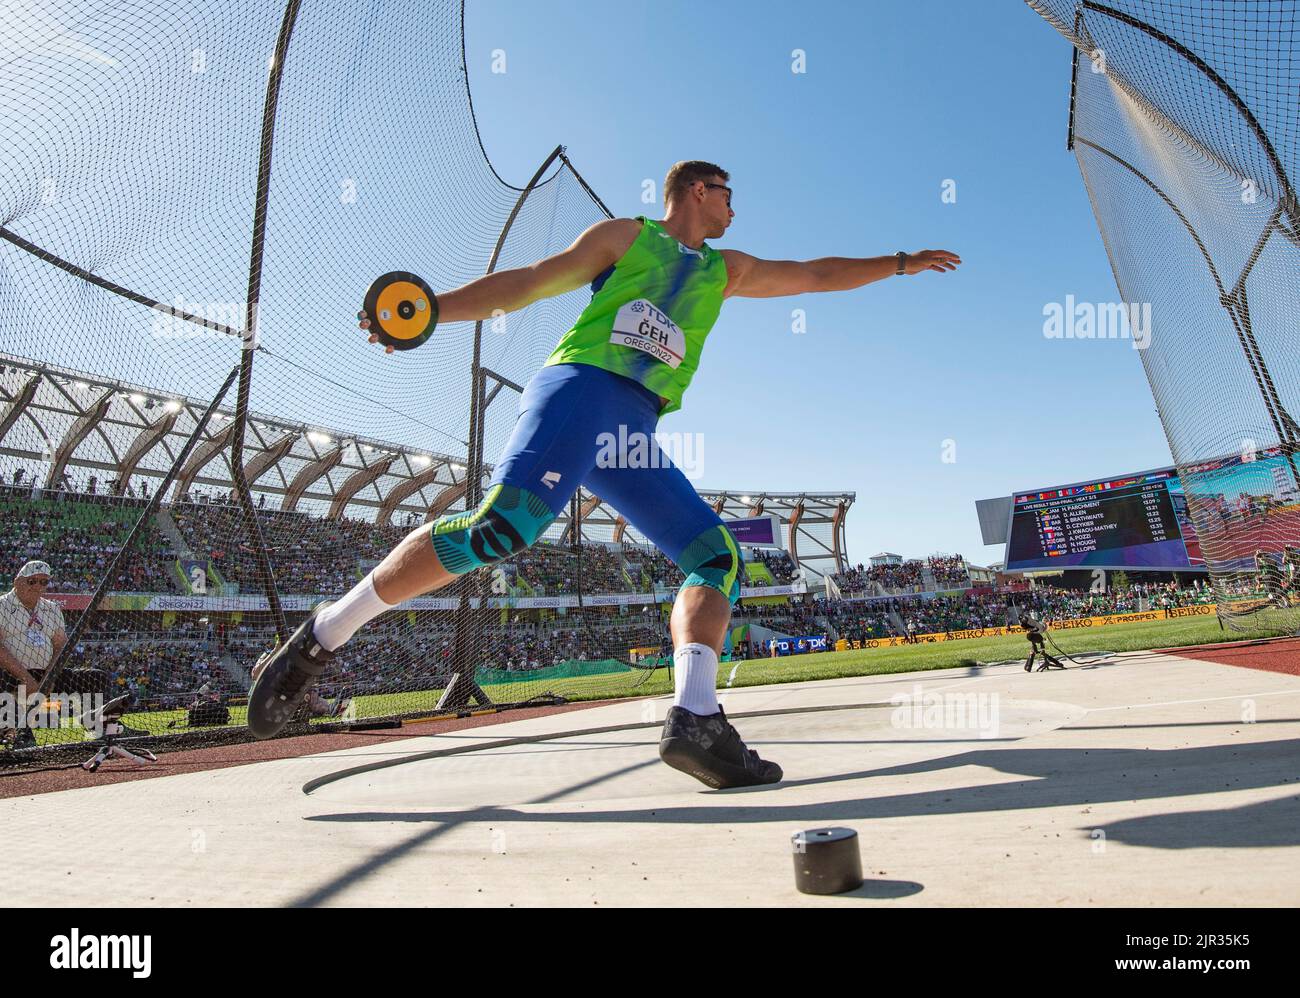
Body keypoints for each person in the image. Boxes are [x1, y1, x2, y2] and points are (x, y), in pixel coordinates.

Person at [247, 160, 960, 789]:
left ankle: (698, 719)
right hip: (581, 388)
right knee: (501, 530)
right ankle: (320, 639)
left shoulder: (725, 269)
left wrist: (900, 261)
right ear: (693, 190)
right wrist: (433, 309)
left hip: (632, 428)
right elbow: (528, 284)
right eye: (727, 195)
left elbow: (815, 274)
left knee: (715, 556)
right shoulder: (628, 238)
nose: (735, 210)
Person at [0, 560, 113, 746]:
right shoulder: (2, 606)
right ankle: (14, 734)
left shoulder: (51, 608)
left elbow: (60, 645)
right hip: (12, 673)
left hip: (47, 672)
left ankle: (102, 727)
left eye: (43, 582)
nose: (37, 586)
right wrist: (26, 679)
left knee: (96, 677)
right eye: (32, 581)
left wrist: (51, 677)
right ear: (17, 582)